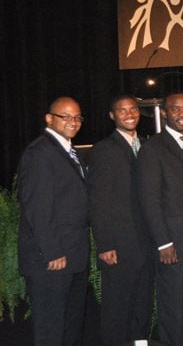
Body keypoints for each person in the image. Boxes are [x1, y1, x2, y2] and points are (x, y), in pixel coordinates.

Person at [137, 92, 183, 346]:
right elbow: (150, 200)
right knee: (172, 307)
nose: (182, 114)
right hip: (173, 245)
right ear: (165, 113)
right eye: (176, 109)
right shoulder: (152, 148)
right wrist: (163, 243)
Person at [17, 96, 89, 346]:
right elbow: (38, 208)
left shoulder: (67, 151)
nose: (73, 121)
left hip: (73, 255)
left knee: (69, 327)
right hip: (52, 260)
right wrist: (53, 252)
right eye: (65, 116)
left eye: (77, 117)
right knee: (51, 330)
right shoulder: (40, 153)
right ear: (49, 119)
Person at [87, 94, 153, 345]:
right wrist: (105, 244)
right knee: (118, 308)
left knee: (142, 306)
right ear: (112, 115)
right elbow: (98, 200)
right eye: (122, 110)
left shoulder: (146, 146)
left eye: (133, 109)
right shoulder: (104, 149)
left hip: (146, 244)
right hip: (119, 246)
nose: (129, 114)